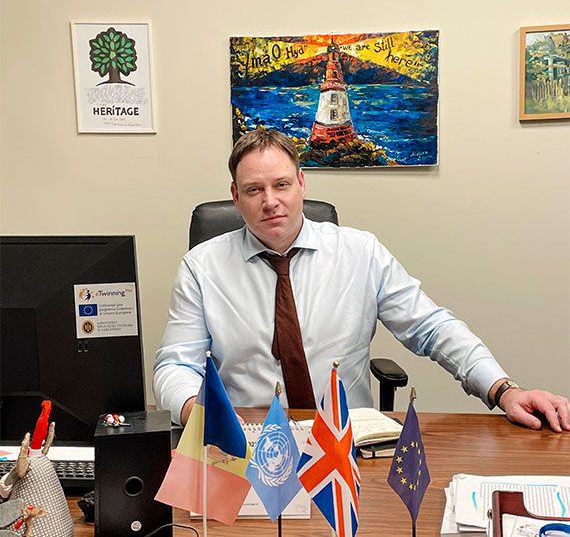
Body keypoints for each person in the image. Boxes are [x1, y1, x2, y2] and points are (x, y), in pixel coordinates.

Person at [153, 129, 570, 432]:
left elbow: (432, 328)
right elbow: (176, 364)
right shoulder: (202, 268)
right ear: (235, 196)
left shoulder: (360, 253)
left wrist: (504, 390)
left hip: (346, 443)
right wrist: (199, 414)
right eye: (253, 190)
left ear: (302, 183)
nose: (271, 201)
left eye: (281, 184)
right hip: (249, 441)